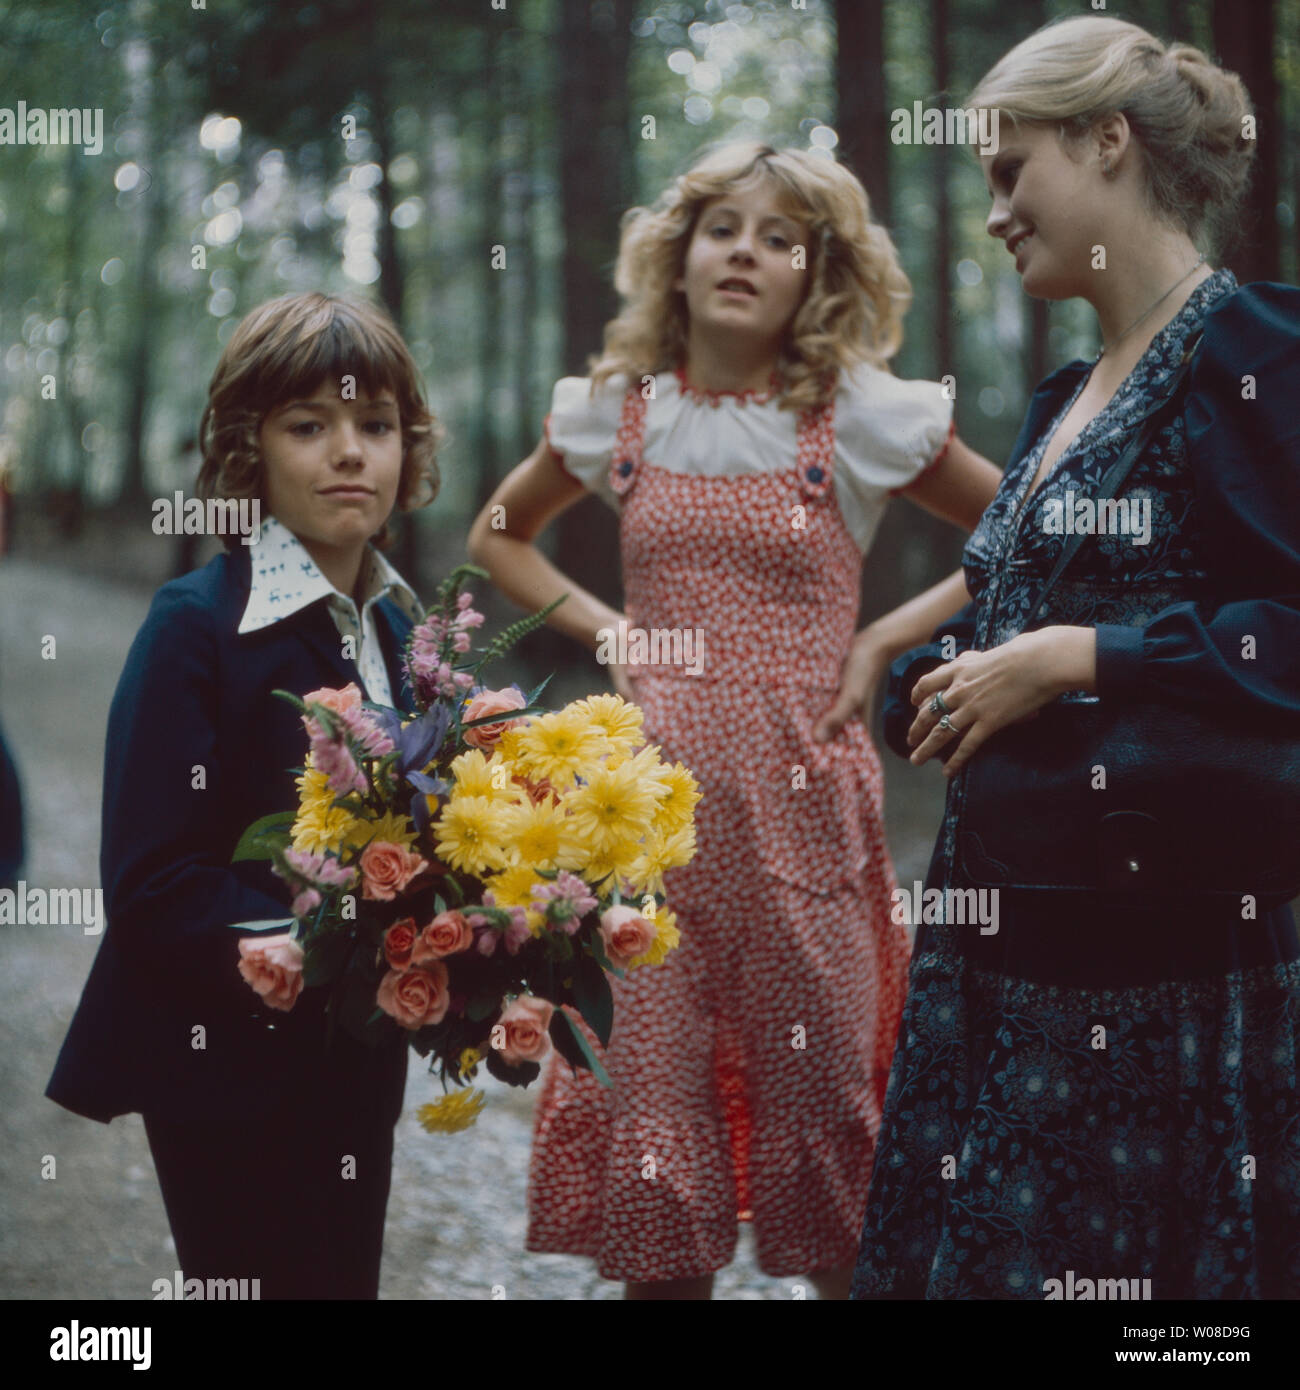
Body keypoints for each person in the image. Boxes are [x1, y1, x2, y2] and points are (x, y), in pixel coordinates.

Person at [468, 141, 1003, 1299]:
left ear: (818, 275)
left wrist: (883, 639)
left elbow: (1018, 528)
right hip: (643, 826)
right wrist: (611, 630)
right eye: (725, 229)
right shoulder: (620, 410)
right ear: (680, 248)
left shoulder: (856, 416)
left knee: (829, 1118)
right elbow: (497, 534)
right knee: (654, 1120)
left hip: (804, 816)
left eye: (780, 239)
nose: (746, 254)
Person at [852, 15, 1300, 1300]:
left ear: (1107, 142)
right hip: (999, 958)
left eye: (1010, 170)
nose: (994, 210)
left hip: (1157, 979)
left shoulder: (1248, 354)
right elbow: (1022, 621)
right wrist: (940, 673)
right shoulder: (1062, 396)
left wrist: (1076, 656)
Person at [46, 292, 441, 1299]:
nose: (348, 450)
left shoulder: (405, 633)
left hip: (357, 1058)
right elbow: (151, 886)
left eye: (376, 424)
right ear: (246, 450)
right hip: (222, 1064)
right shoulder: (195, 627)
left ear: (409, 445)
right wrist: (338, 930)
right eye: (309, 425)